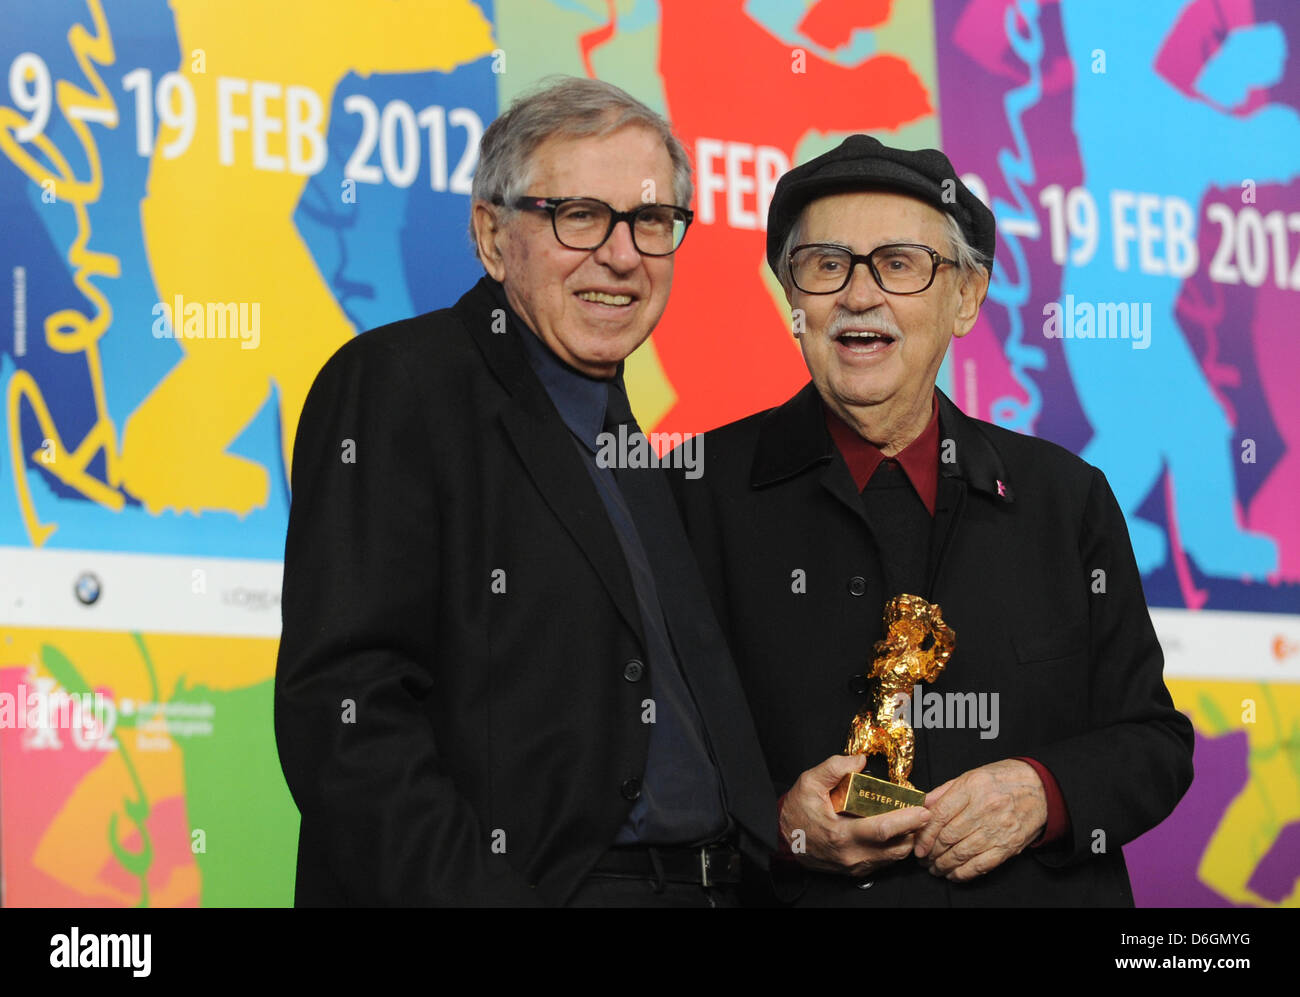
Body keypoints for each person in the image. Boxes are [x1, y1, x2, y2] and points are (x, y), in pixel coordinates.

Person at [274, 77, 776, 907]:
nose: (621, 253)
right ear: (493, 234)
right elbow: (346, 713)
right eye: (579, 214)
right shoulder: (399, 386)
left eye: (650, 221)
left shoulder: (629, 440)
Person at [671, 134, 1194, 906]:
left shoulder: (1065, 497)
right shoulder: (693, 491)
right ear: (794, 300)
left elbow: (1153, 743)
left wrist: (1043, 792)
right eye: (825, 265)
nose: (858, 294)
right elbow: (638, 751)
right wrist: (778, 823)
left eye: (900, 264)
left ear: (966, 298)